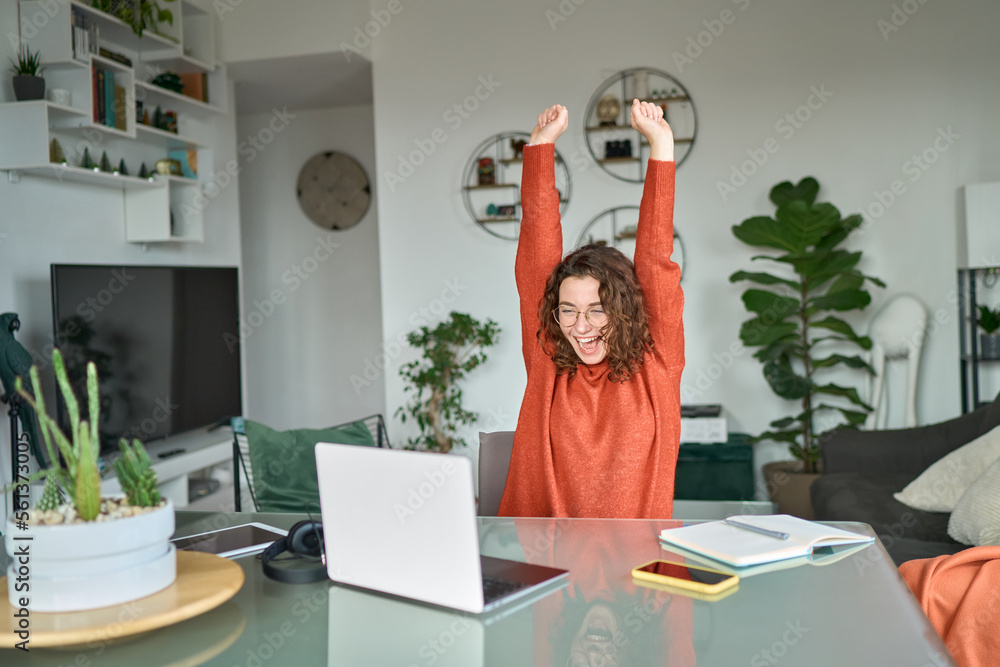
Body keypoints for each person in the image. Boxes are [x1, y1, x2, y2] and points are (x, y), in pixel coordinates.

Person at [498, 100, 683, 519]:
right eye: (568, 310)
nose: (580, 327)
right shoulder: (549, 360)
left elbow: (655, 257)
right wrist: (540, 148)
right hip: (544, 566)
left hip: (639, 570)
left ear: (625, 311)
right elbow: (536, 256)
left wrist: (661, 145)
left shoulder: (657, 361)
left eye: (597, 311)